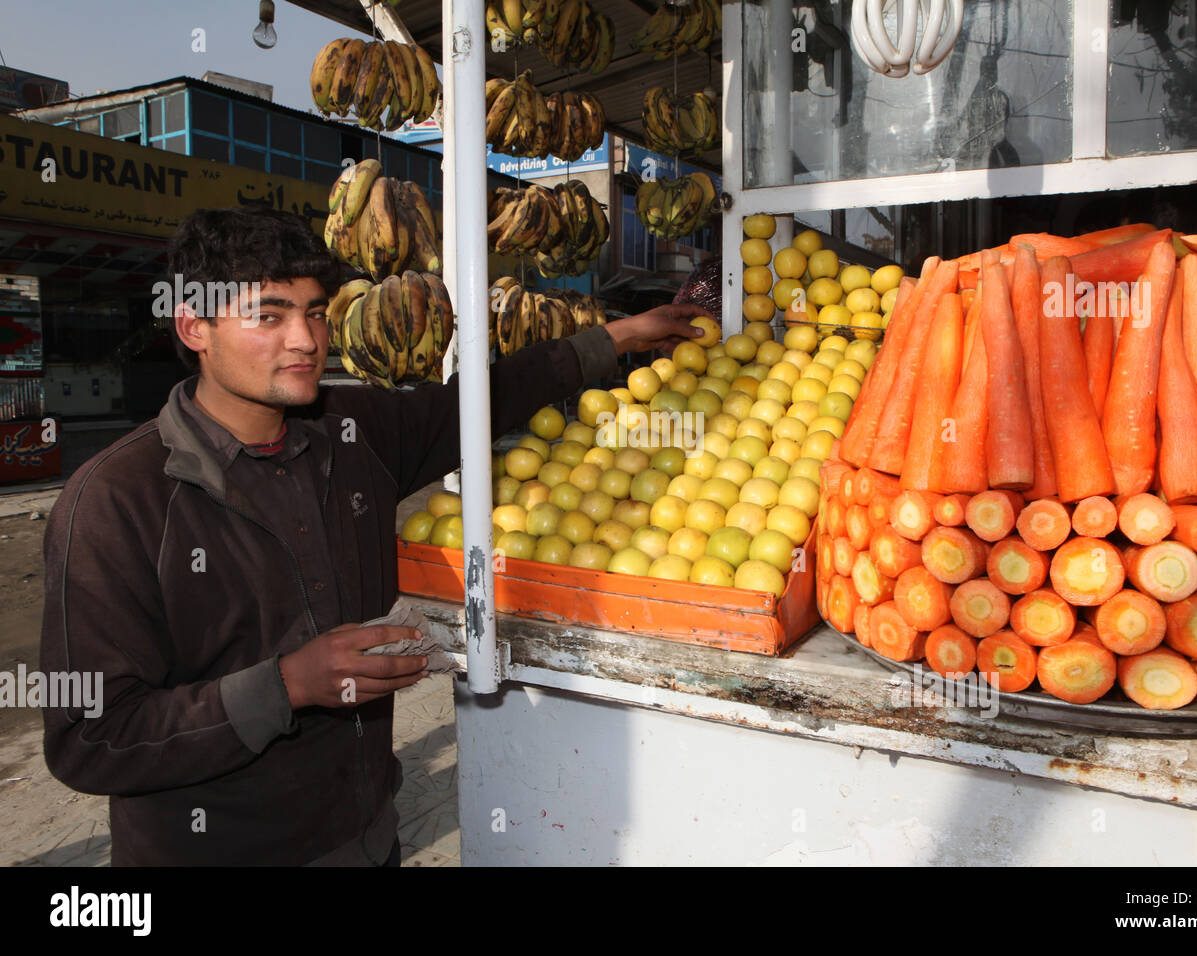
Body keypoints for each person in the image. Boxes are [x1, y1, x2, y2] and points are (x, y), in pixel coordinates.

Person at [40, 206, 701, 865]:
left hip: (367, 841)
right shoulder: (116, 500)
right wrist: (287, 685)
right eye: (268, 316)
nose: (304, 340)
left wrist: (622, 334)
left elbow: (483, 399)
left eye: (316, 312)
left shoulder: (351, 432)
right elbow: (90, 737)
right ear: (194, 327)